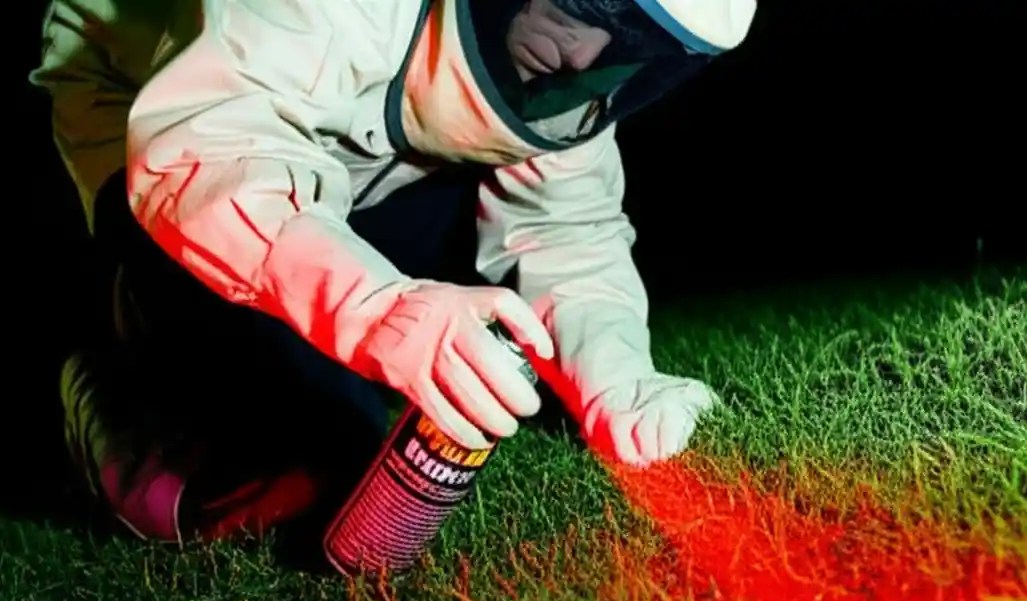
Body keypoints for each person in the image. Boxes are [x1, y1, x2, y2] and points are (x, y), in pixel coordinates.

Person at [31, 0, 756, 544]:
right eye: (586, 5)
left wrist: (621, 381)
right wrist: (379, 312)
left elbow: (567, 234)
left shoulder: (558, 69)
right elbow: (209, 156)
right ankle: (116, 378)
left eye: (625, 38)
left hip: (354, 155)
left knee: (380, 393)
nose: (582, 55)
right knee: (304, 459)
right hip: (158, 123)